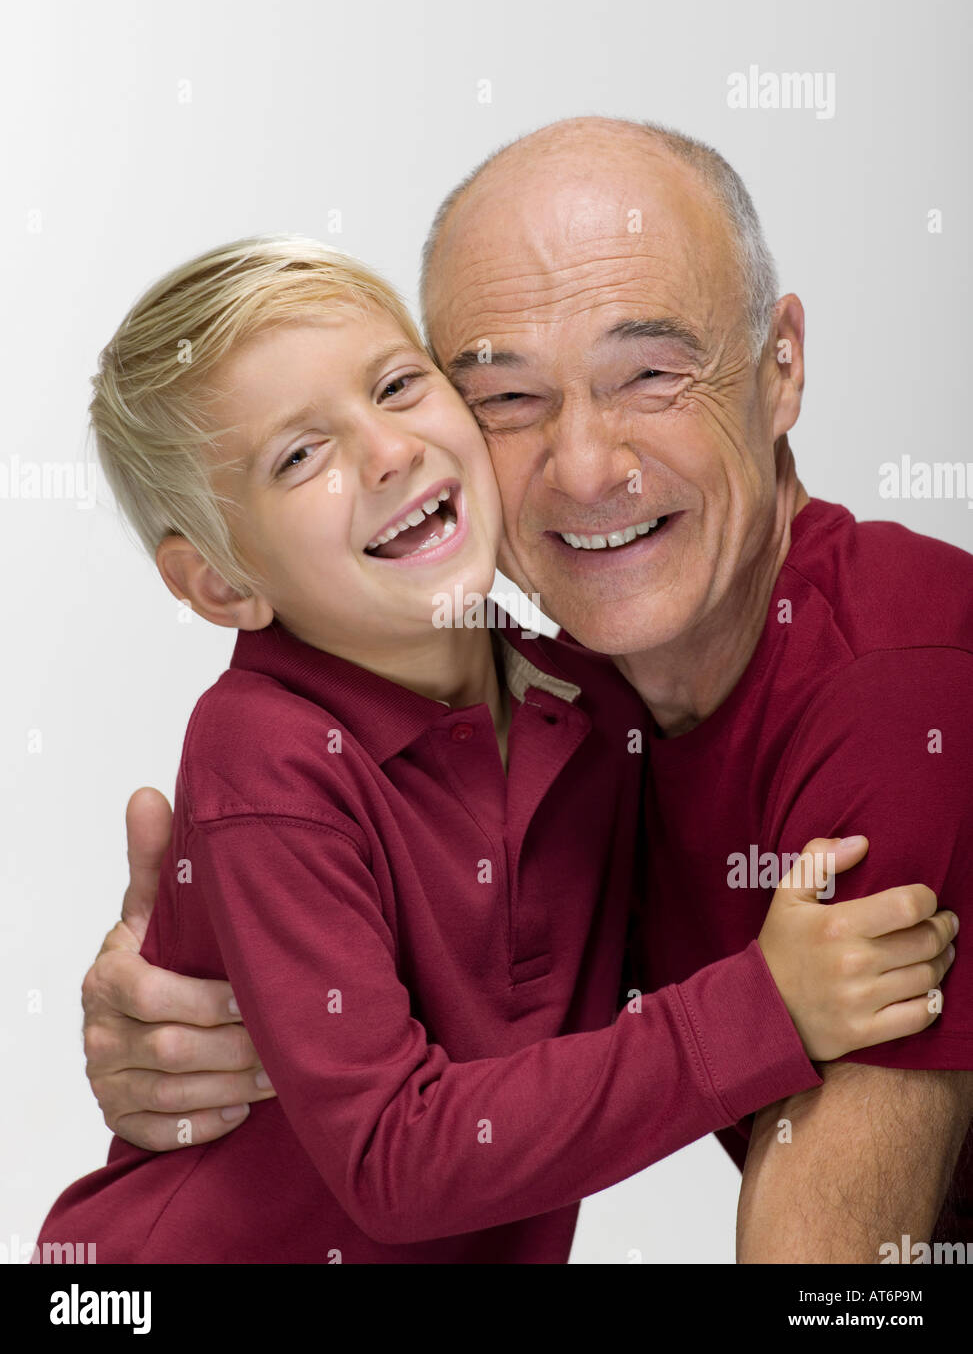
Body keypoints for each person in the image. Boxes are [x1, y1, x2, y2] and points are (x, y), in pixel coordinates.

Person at [81, 117, 973, 1262]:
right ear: (216, 580)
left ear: (780, 365)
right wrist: (176, 996)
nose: (587, 465)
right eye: (506, 397)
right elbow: (398, 1108)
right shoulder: (580, 709)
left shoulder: (880, 688)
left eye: (648, 373)